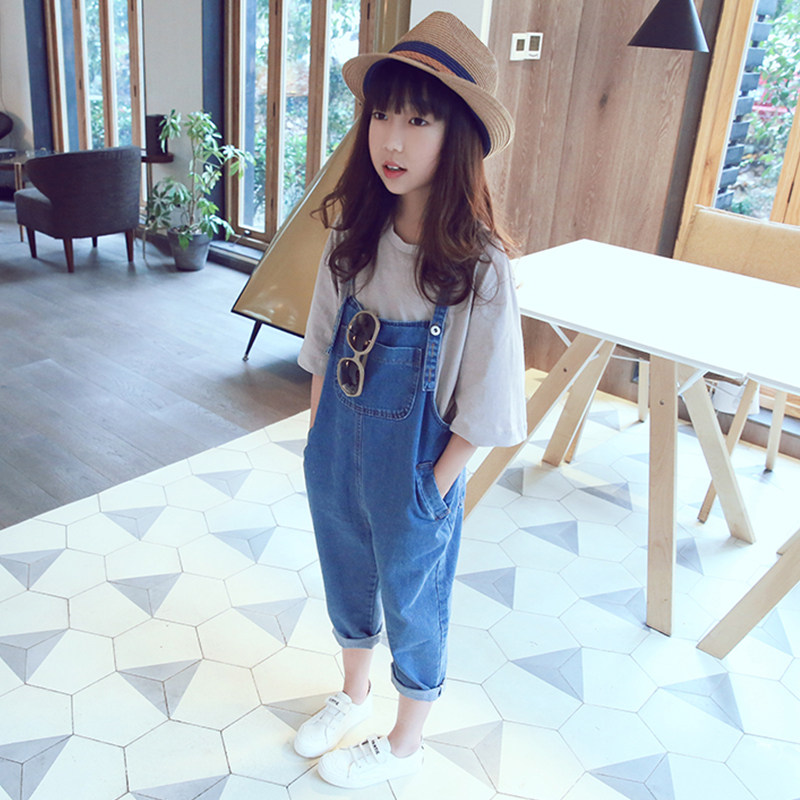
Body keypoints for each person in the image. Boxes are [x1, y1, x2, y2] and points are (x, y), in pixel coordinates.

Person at [296, 11, 526, 790]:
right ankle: (352, 693)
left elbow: (488, 403)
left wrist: (434, 487)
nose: (391, 140)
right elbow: (321, 344)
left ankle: (405, 741)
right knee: (346, 572)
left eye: (418, 121)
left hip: (420, 469)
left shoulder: (480, 267)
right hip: (338, 447)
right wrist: (321, 441)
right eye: (382, 115)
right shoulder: (352, 234)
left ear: (457, 136)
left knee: (413, 600)